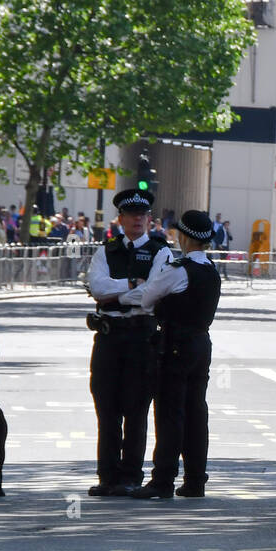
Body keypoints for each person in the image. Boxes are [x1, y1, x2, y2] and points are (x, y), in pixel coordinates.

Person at [103, 210, 220, 499]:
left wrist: (116, 297)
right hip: (201, 343)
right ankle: (195, 480)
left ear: (184, 237)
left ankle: (163, 480)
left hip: (174, 343)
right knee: (196, 412)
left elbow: (146, 296)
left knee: (170, 412)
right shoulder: (211, 269)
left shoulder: (179, 269)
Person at [84, 189, 172, 496]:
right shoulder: (105, 251)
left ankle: (131, 476)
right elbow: (96, 287)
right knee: (106, 409)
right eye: (131, 214)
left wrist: (118, 293)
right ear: (120, 219)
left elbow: (152, 293)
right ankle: (107, 476)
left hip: (140, 336)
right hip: (109, 336)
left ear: (150, 219)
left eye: (142, 214)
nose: (137, 219)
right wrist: (132, 285)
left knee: (136, 410)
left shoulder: (162, 251)